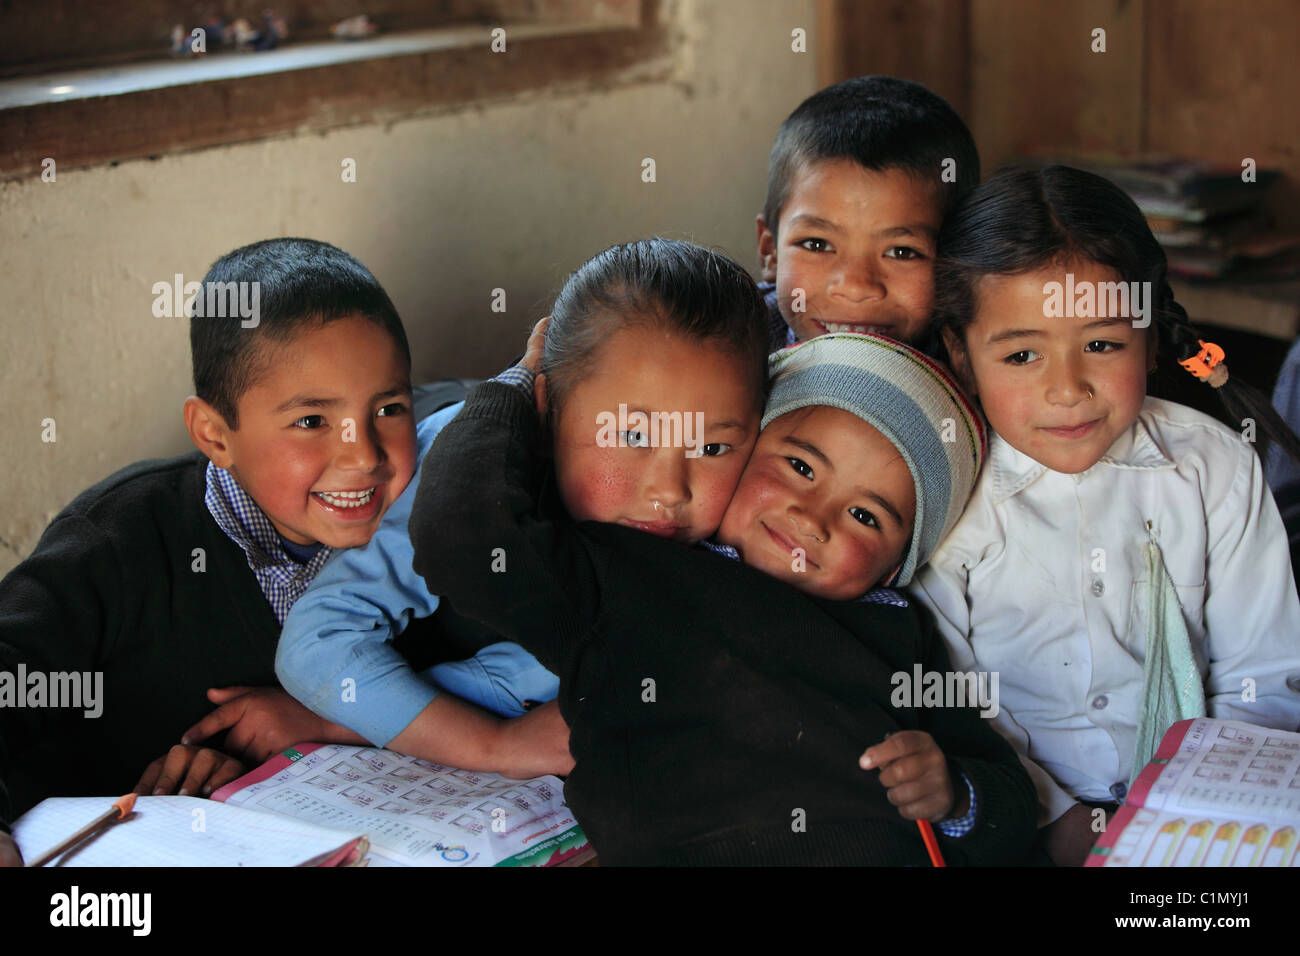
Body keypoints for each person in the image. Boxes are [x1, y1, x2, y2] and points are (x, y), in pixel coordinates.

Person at [410, 324, 1036, 865]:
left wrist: (955, 792)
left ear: (898, 564)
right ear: (737, 453)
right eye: (799, 467)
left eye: (868, 517)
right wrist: (518, 389)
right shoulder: (632, 575)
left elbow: (1010, 802)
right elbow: (464, 540)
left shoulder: (902, 635)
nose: (814, 517)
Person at [0, 238, 538, 866]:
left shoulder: (446, 523)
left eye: (389, 408)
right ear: (214, 434)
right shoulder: (123, 538)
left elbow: (519, 677)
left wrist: (330, 717)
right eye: (311, 421)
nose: (362, 454)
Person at [913, 165, 1300, 866]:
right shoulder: (950, 489)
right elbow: (956, 698)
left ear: (1151, 340)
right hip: (1012, 823)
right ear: (960, 355)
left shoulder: (1214, 467)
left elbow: (1264, 675)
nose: (1067, 389)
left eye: (1101, 345)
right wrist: (1053, 818)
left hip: (1201, 821)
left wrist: (1212, 812)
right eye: (1022, 354)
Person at [275, 239, 769, 775]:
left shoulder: (743, 541)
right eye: (630, 434)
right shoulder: (461, 473)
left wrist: (337, 723)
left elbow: (522, 676)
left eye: (712, 448)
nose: (669, 490)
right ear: (546, 405)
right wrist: (492, 745)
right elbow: (315, 643)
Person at [756, 75, 979, 350]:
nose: (856, 287)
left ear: (962, 263)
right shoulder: (732, 346)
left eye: (902, 252)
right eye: (816, 244)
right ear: (770, 253)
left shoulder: (979, 354)